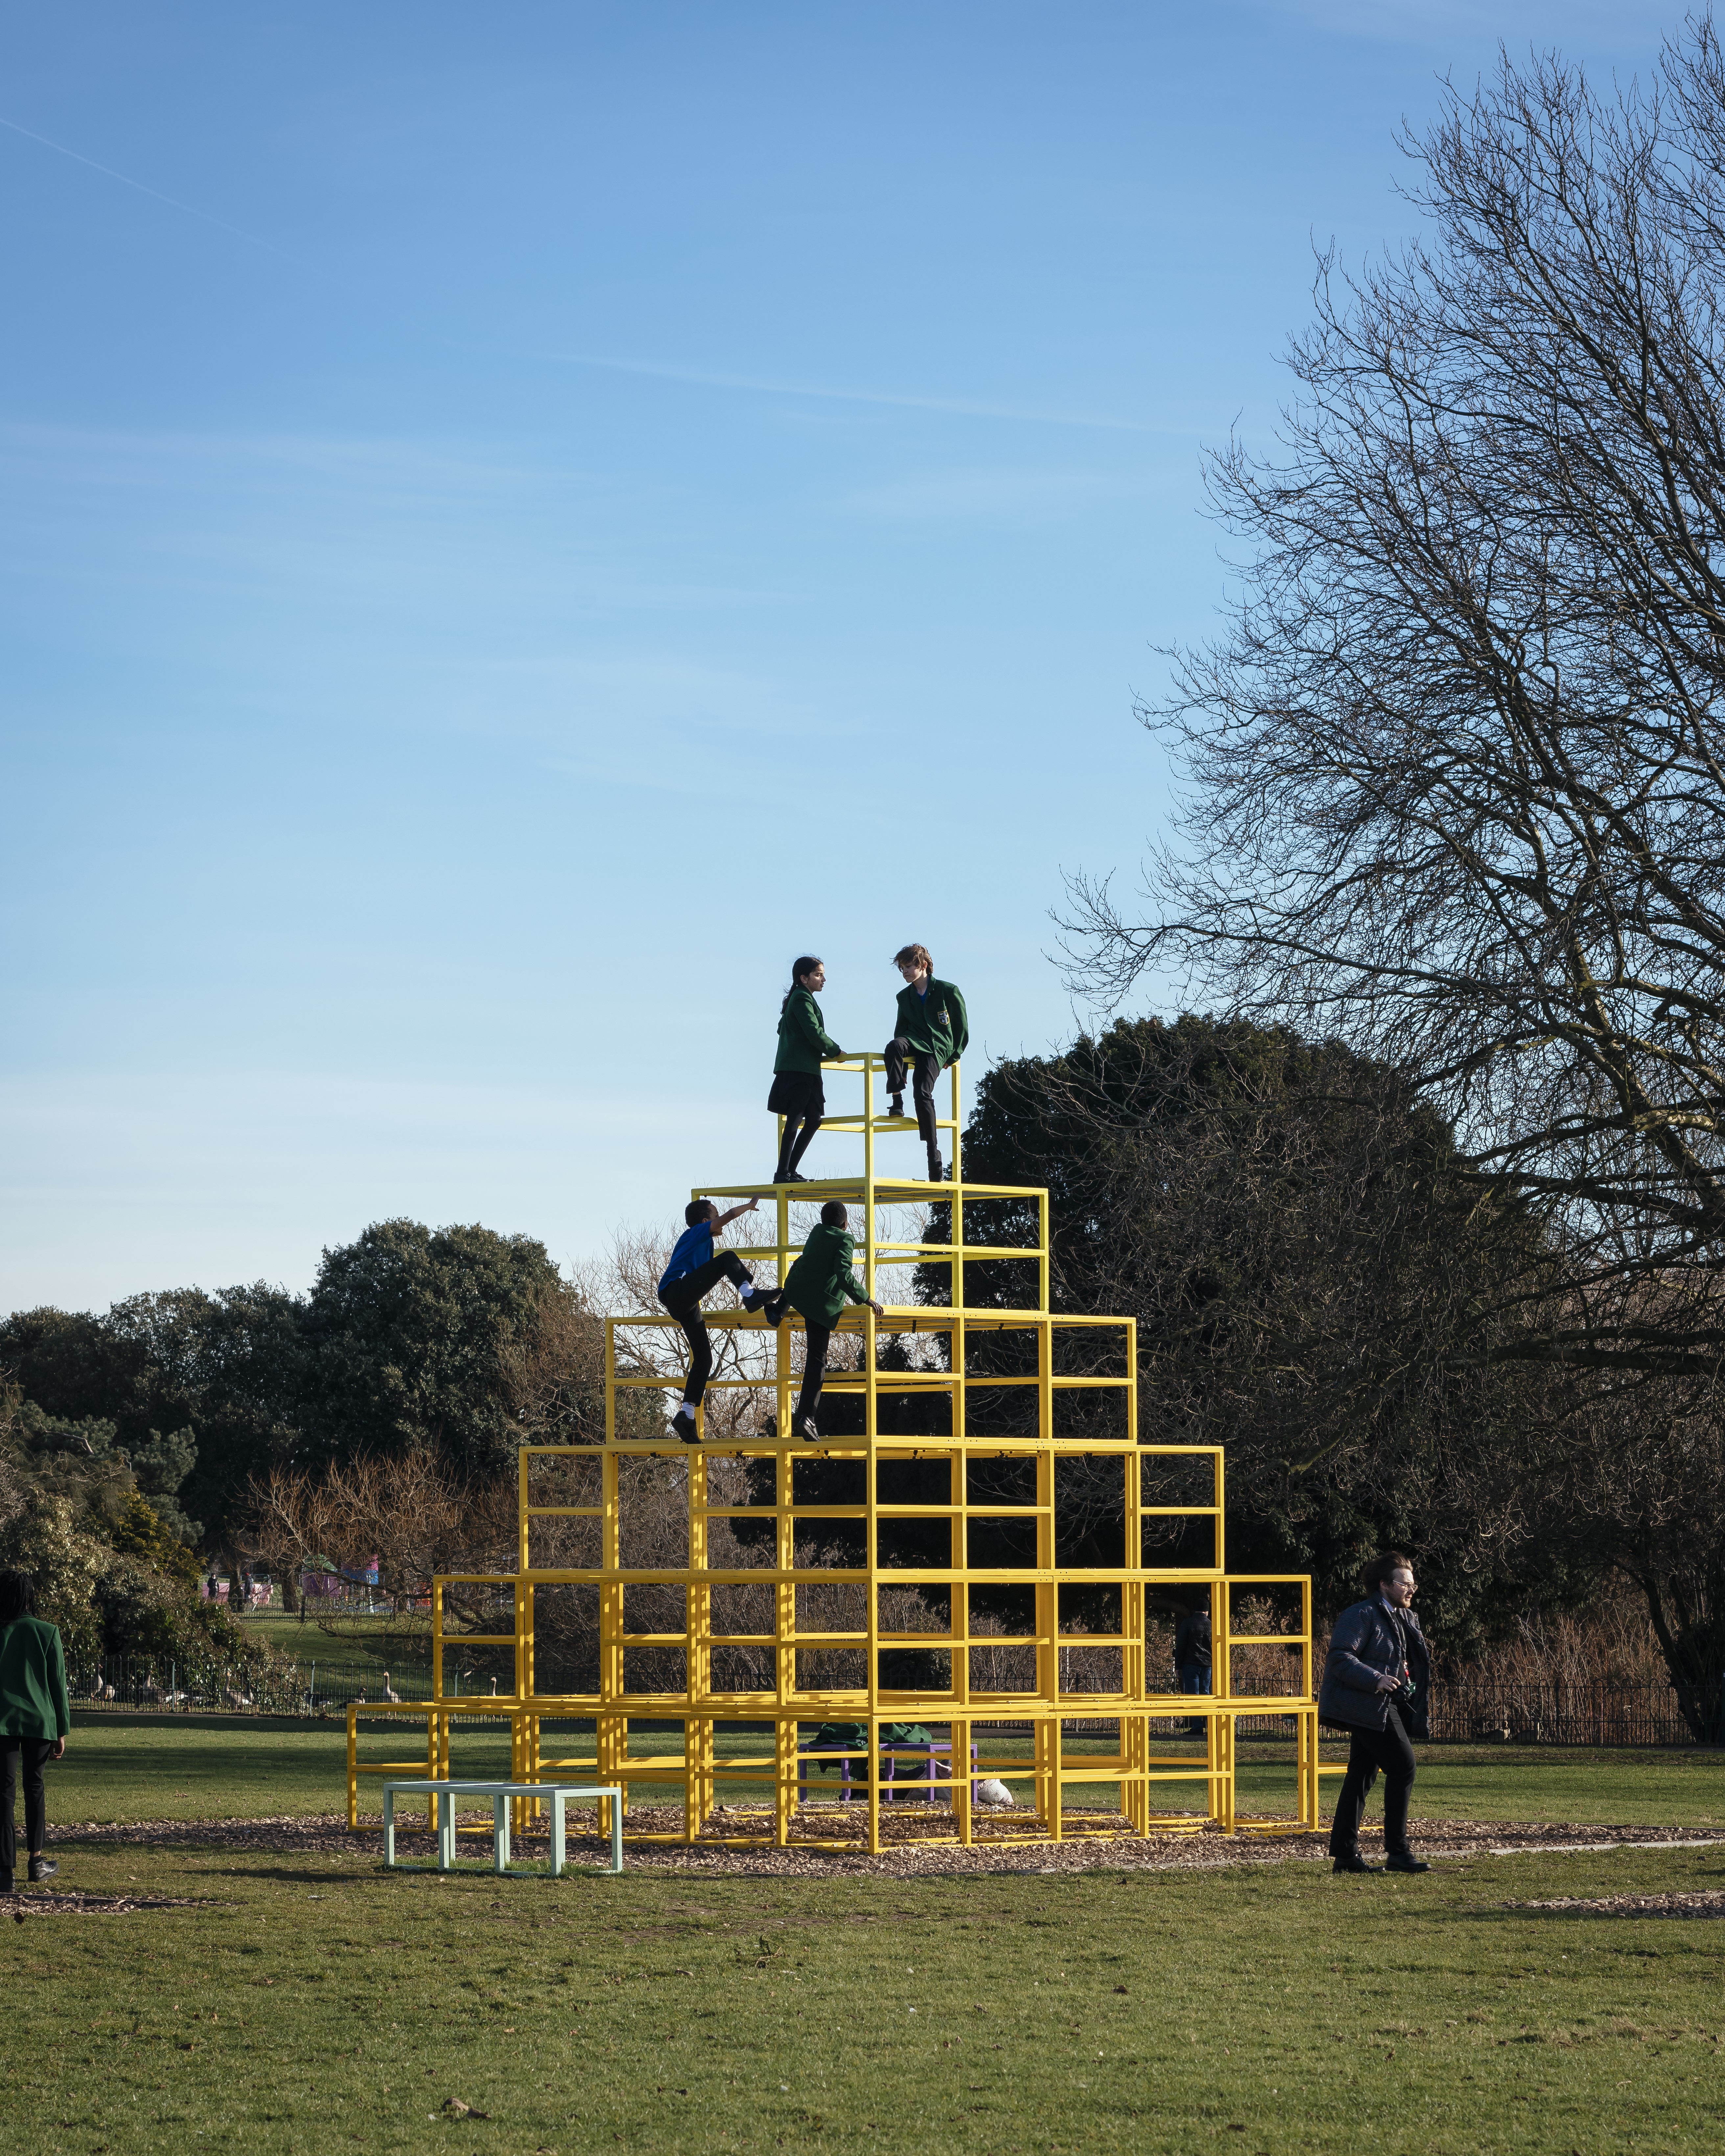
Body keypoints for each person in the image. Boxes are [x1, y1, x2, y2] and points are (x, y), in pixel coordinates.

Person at [1319, 1551, 1432, 1876]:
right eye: (1403, 1584)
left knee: (1361, 1776)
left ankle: (1345, 1856)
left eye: (1413, 1585)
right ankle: (1397, 1853)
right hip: (1367, 1705)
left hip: (1385, 1705)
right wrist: (1377, 1679)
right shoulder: (1361, 1614)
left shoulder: (1406, 1618)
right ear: (1384, 1585)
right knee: (1403, 1767)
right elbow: (1340, 1657)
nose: (1411, 1590)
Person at [761, 1200, 884, 1441]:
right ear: (845, 1224)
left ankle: (778, 1311)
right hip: (819, 1306)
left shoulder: (816, 1232)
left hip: (795, 1292)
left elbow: (808, 1262)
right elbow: (843, 1273)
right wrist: (866, 1298)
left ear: (823, 1219)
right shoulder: (845, 1240)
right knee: (817, 1360)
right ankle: (807, 1416)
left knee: (799, 1262)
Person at [658, 1195, 770, 1441]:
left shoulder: (702, 1241)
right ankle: (749, 1294)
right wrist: (749, 1206)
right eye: (714, 1216)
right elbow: (729, 1215)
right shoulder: (697, 1232)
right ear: (705, 1220)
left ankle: (687, 1414)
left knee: (704, 1359)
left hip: (683, 1302)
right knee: (728, 1258)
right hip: (677, 1290)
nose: (718, 1220)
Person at [0, 1569, 71, 1891]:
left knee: (4, 1793)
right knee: (34, 1788)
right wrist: (62, 1731)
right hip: (41, 1722)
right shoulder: (47, 1632)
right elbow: (58, 1687)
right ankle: (37, 1862)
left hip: (2, 1722)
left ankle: (4, 1870)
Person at [883, 945, 968, 1182]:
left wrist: (954, 1055)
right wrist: (901, 1062)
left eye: (908, 967)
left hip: (937, 1047)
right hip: (913, 1041)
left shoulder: (947, 990)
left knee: (922, 1092)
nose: (905, 972)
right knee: (893, 1046)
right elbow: (900, 1029)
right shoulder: (904, 997)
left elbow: (961, 1027)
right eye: (902, 968)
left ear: (923, 966)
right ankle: (896, 1099)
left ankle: (933, 1153)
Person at [770, 956, 848, 1184]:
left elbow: (782, 1028)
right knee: (795, 1120)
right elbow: (814, 1032)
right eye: (818, 975)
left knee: (813, 1119)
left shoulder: (801, 998)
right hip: (798, 1070)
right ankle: (782, 1172)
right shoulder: (801, 999)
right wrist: (835, 1051)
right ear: (804, 979)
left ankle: (789, 1171)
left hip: (807, 1070)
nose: (823, 979)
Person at [1174, 1599, 1213, 1736]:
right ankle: (1211, 1726)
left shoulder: (1187, 1623)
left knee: (1193, 1696)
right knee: (1206, 1694)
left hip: (1191, 1664)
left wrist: (1178, 1666)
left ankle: (1197, 1727)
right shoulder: (1212, 1626)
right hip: (1208, 1665)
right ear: (1206, 1611)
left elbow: (1181, 1646)